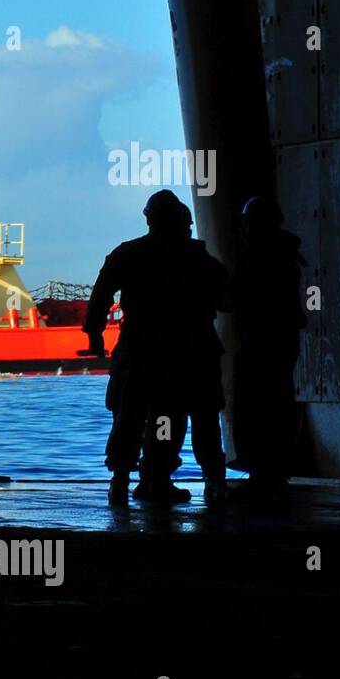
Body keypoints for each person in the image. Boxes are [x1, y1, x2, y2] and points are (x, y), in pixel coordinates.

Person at [85, 190, 207, 507]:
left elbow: (100, 296)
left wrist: (95, 335)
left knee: (128, 416)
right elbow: (223, 295)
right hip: (174, 351)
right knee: (166, 419)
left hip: (136, 348)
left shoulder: (128, 253)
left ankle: (121, 481)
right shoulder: (191, 255)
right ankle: (157, 480)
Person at [227, 195, 306, 505]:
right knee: (279, 403)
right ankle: (275, 471)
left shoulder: (253, 257)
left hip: (258, 345)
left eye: (247, 224)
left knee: (253, 408)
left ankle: (260, 473)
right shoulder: (288, 256)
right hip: (282, 344)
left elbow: (229, 297)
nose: (244, 230)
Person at [168, 200, 230, 507]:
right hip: (201, 354)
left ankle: (154, 480)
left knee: (165, 420)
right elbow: (227, 301)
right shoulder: (205, 262)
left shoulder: (141, 258)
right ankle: (214, 481)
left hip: (162, 357)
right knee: (206, 421)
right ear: (187, 226)